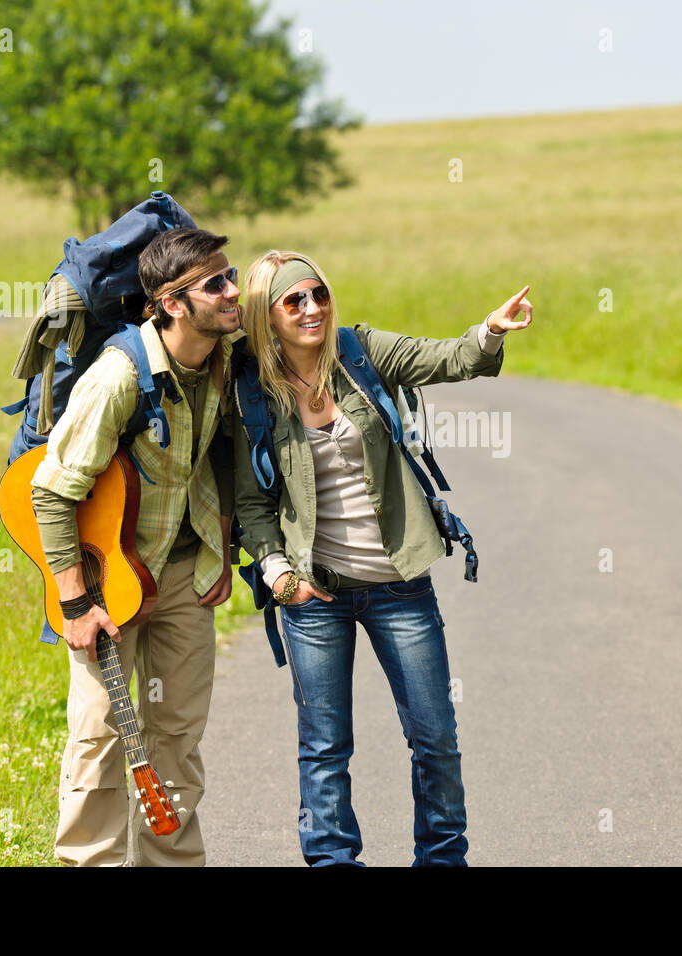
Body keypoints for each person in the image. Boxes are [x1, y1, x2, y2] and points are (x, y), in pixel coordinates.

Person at [231, 250, 534, 866]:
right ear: (269, 315)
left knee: (435, 739)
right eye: (294, 301)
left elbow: (446, 358)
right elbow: (250, 502)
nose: (311, 308)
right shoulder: (251, 394)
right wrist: (278, 574)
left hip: (400, 585)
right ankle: (334, 861)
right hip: (315, 596)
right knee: (324, 747)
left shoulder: (359, 352)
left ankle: (444, 859)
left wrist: (490, 332)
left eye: (317, 294)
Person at [29, 227, 241, 866]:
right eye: (216, 284)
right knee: (99, 737)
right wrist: (74, 604)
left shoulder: (222, 362)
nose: (233, 292)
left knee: (176, 740)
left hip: (183, 577)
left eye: (231, 276)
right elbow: (49, 492)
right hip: (106, 589)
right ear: (172, 304)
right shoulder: (119, 377)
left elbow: (223, 461)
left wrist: (222, 553)